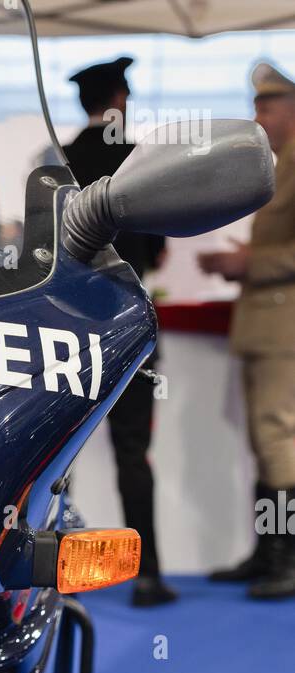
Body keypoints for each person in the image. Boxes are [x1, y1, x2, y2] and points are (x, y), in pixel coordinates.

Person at [66, 58, 176, 608]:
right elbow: (157, 249)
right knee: (134, 453)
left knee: (60, 460)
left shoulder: (60, 163)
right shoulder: (141, 165)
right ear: (120, 99)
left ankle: (60, 581)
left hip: (71, 330)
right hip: (130, 325)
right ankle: (149, 574)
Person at [199, 62, 295, 600]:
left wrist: (248, 263)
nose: (258, 117)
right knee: (267, 442)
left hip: (285, 326)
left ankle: (286, 559)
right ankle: (269, 553)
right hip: (268, 323)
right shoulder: (282, 166)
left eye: (266, 107)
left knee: (278, 439)